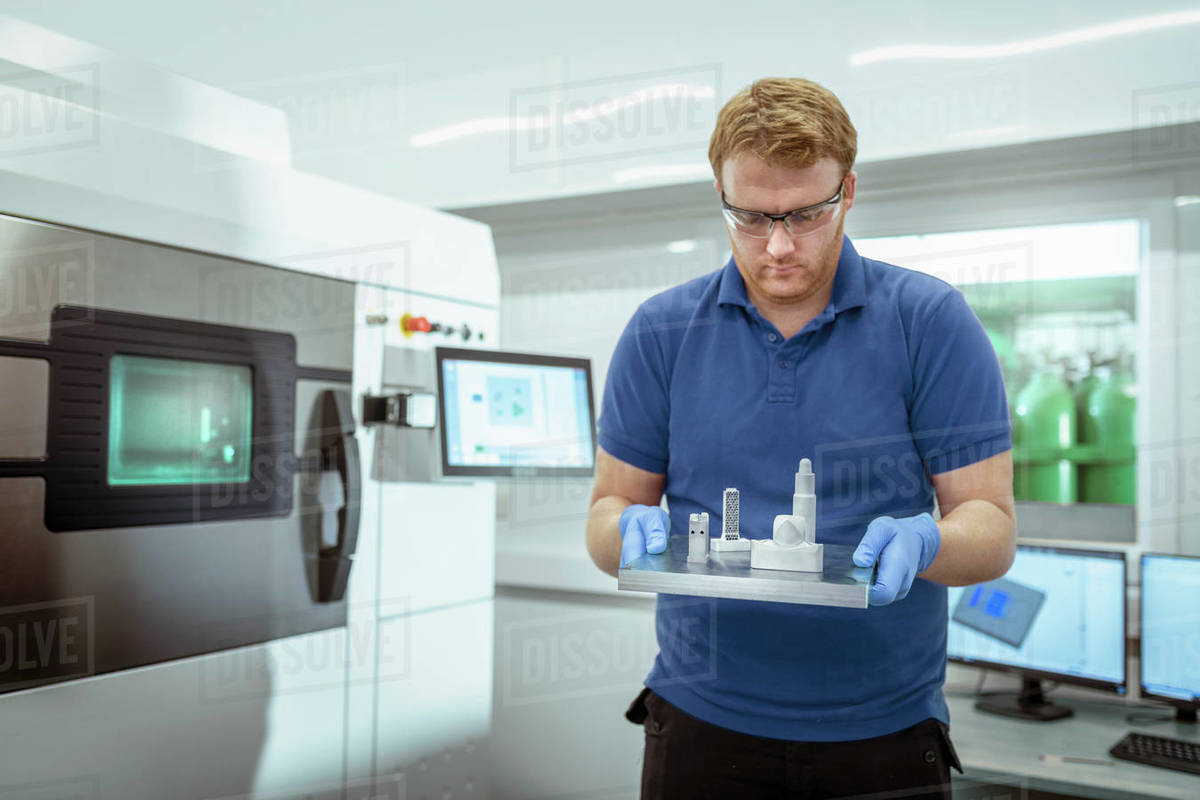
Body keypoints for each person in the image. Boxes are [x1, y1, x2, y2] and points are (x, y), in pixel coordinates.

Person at [585, 77, 1016, 799]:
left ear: (848, 191)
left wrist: (930, 542)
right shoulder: (660, 332)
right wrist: (622, 533)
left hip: (882, 736)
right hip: (698, 725)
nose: (778, 246)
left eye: (805, 214)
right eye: (749, 217)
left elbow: (994, 530)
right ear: (719, 195)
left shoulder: (930, 322)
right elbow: (604, 518)